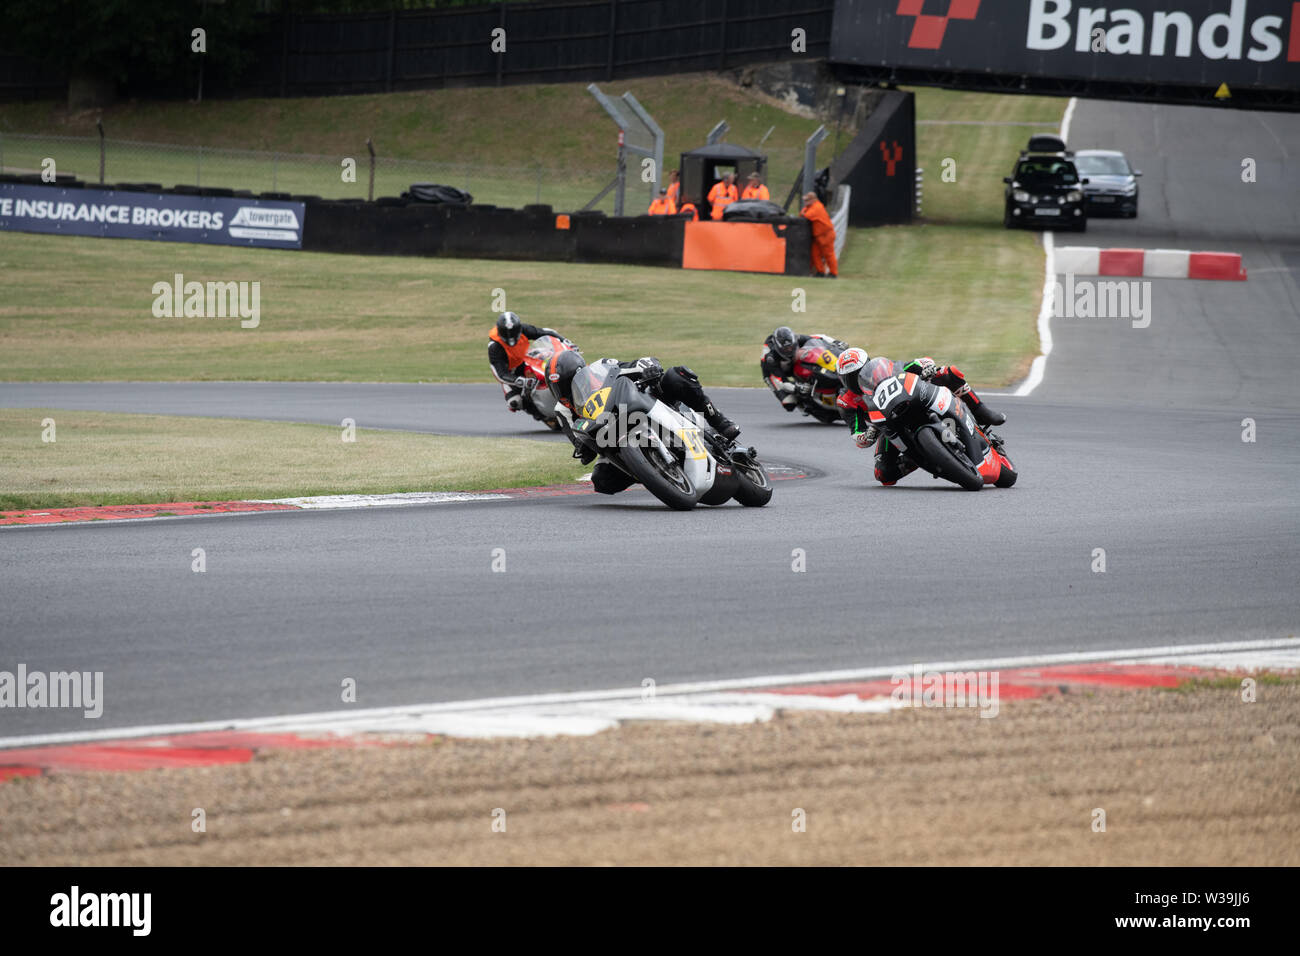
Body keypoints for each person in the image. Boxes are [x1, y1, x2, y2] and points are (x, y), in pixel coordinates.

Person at [550, 352, 741, 494]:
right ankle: (654, 470)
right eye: (561, 390)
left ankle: (720, 421)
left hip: (641, 403)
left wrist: (647, 366)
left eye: (569, 385)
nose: (567, 394)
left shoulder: (601, 367)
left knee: (676, 376)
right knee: (602, 480)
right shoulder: (563, 410)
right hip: (611, 436)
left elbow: (632, 365)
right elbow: (578, 442)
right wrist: (583, 447)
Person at [836, 349, 1005, 486]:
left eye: (858, 373)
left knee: (947, 372)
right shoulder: (846, 401)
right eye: (849, 377)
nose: (856, 379)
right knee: (884, 474)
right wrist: (868, 435)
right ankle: (918, 458)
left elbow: (913, 364)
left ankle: (981, 411)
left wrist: (926, 367)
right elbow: (857, 434)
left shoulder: (883, 370)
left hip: (916, 398)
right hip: (888, 426)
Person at [487, 311, 572, 412]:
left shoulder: (524, 329)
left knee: (556, 365)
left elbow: (545, 332)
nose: (511, 337)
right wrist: (520, 381)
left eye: (514, 333)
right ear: (499, 331)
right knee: (515, 402)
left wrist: (565, 341)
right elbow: (500, 374)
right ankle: (539, 413)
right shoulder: (494, 346)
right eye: (506, 334)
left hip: (526, 360)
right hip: (511, 373)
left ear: (518, 328)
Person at [760, 326, 848, 411]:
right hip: (772, 372)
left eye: (791, 346)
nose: (790, 350)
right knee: (789, 402)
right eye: (786, 349)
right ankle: (806, 405)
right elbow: (780, 381)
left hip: (791, 360)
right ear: (779, 349)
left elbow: (817, 337)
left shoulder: (795, 338)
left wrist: (836, 342)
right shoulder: (771, 359)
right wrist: (796, 388)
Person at [800, 191, 838, 277]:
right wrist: (804, 211)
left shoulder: (817, 207)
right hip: (818, 236)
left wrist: (803, 212)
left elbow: (806, 215)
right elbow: (802, 213)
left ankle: (833, 273)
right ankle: (820, 272)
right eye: (805, 200)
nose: (805, 202)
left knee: (828, 254)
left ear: (813, 200)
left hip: (826, 235)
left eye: (807, 200)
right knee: (814, 253)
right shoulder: (811, 206)